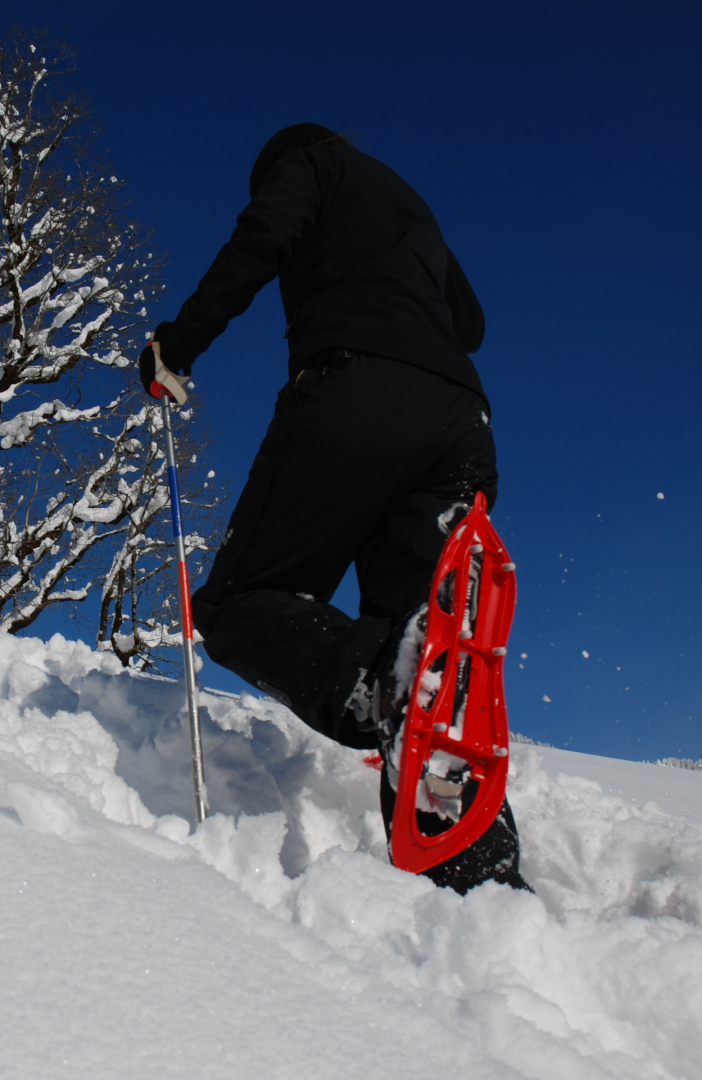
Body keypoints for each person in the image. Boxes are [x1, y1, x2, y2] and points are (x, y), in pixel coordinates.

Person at [140, 123, 526, 893]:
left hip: (356, 390)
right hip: (461, 424)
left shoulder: (309, 168)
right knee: (433, 664)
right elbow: (472, 323)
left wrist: (176, 347)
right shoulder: (412, 206)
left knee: (236, 601)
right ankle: (478, 893)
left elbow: (263, 236)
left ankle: (387, 680)